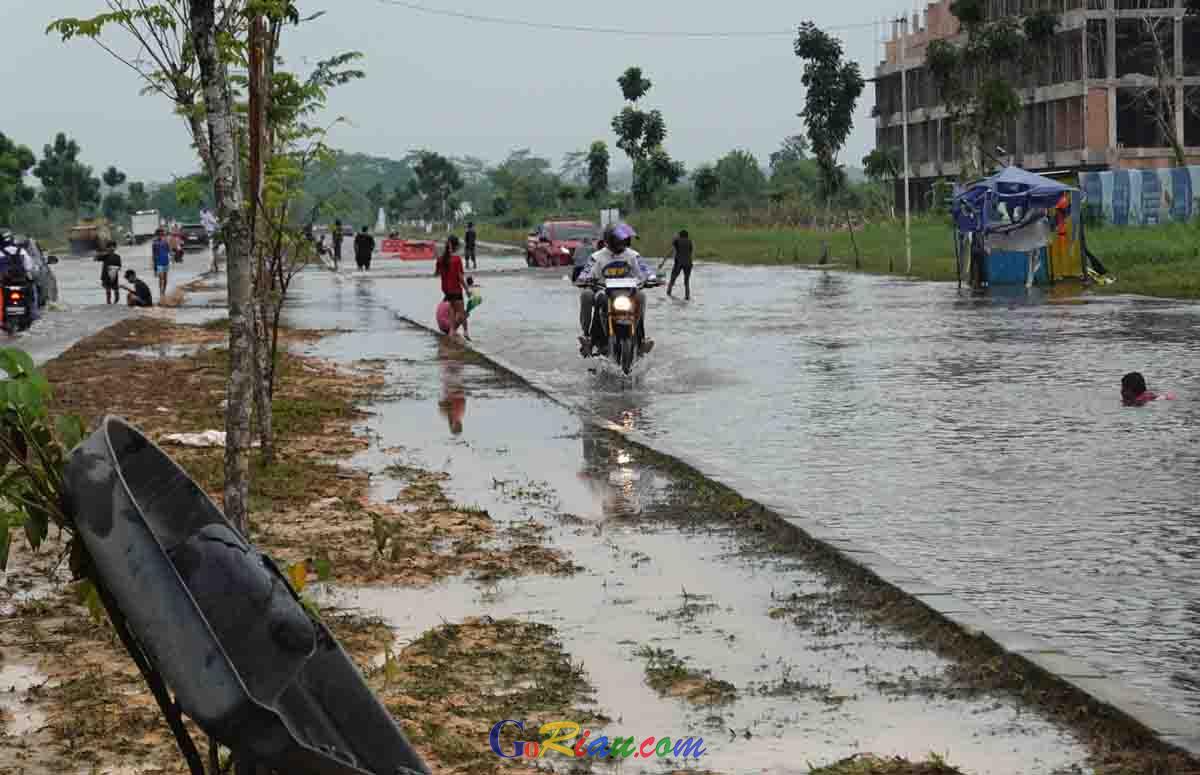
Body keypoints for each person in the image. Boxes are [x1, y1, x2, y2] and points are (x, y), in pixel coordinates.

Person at [577, 223, 656, 357]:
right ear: (609, 240)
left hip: (628, 293)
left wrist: (652, 278)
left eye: (624, 240)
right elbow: (586, 272)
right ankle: (588, 338)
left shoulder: (633, 255)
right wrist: (584, 279)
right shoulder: (597, 256)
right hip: (604, 292)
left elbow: (645, 270)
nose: (621, 243)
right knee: (587, 295)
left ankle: (641, 339)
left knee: (641, 296)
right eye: (618, 240)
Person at [435, 235, 469, 339]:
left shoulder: (440, 259)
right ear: (456, 246)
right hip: (455, 290)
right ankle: (466, 332)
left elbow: (436, 274)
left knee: (453, 312)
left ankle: (451, 333)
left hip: (446, 291)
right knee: (462, 312)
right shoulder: (456, 259)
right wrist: (467, 290)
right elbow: (460, 277)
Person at [0, 231, 37, 314]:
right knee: (33, 291)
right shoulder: (21, 251)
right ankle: (34, 312)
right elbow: (29, 266)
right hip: (21, 280)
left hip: (4, 282)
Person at [663, 229, 694, 300]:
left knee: (673, 278)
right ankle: (687, 296)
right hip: (688, 263)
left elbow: (670, 251)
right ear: (687, 236)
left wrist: (663, 262)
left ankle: (668, 293)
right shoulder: (690, 242)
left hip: (679, 263)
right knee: (686, 281)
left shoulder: (677, 241)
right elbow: (691, 253)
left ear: (680, 235)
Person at [95, 240, 123, 305]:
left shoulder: (118, 257)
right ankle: (109, 304)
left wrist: (115, 269)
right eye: (110, 247)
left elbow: (119, 266)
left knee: (116, 293)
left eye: (113, 247)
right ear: (107, 248)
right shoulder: (105, 256)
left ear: (115, 248)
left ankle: (115, 303)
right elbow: (95, 259)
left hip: (114, 276)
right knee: (108, 291)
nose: (112, 248)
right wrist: (98, 253)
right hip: (106, 276)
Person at [151, 228, 171, 300]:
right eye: (159, 234)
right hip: (158, 262)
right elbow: (153, 255)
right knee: (161, 278)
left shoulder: (165, 242)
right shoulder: (154, 243)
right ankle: (160, 292)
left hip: (165, 261)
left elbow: (169, 251)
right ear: (157, 235)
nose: (160, 235)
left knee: (165, 279)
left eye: (161, 234)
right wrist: (154, 267)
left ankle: (163, 292)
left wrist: (172, 257)